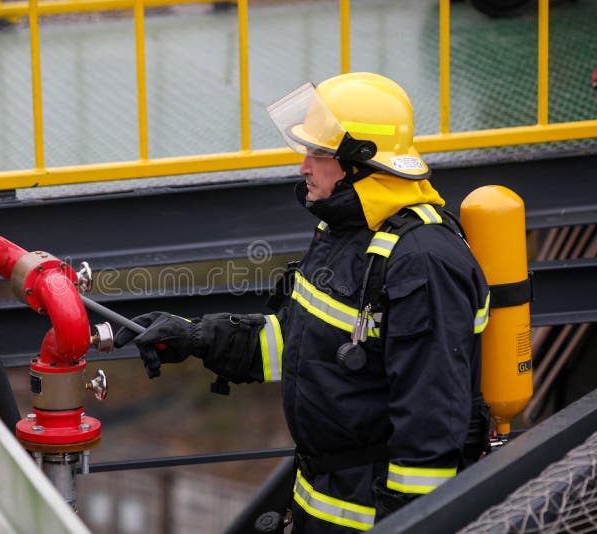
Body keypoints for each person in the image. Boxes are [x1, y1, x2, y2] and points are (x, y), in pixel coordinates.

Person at [114, 72, 491, 533]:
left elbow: (430, 424)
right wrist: (195, 337)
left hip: (371, 516)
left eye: (318, 153)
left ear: (360, 161)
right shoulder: (346, 230)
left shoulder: (423, 261)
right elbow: (296, 341)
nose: (303, 167)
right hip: (321, 502)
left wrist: (407, 523)